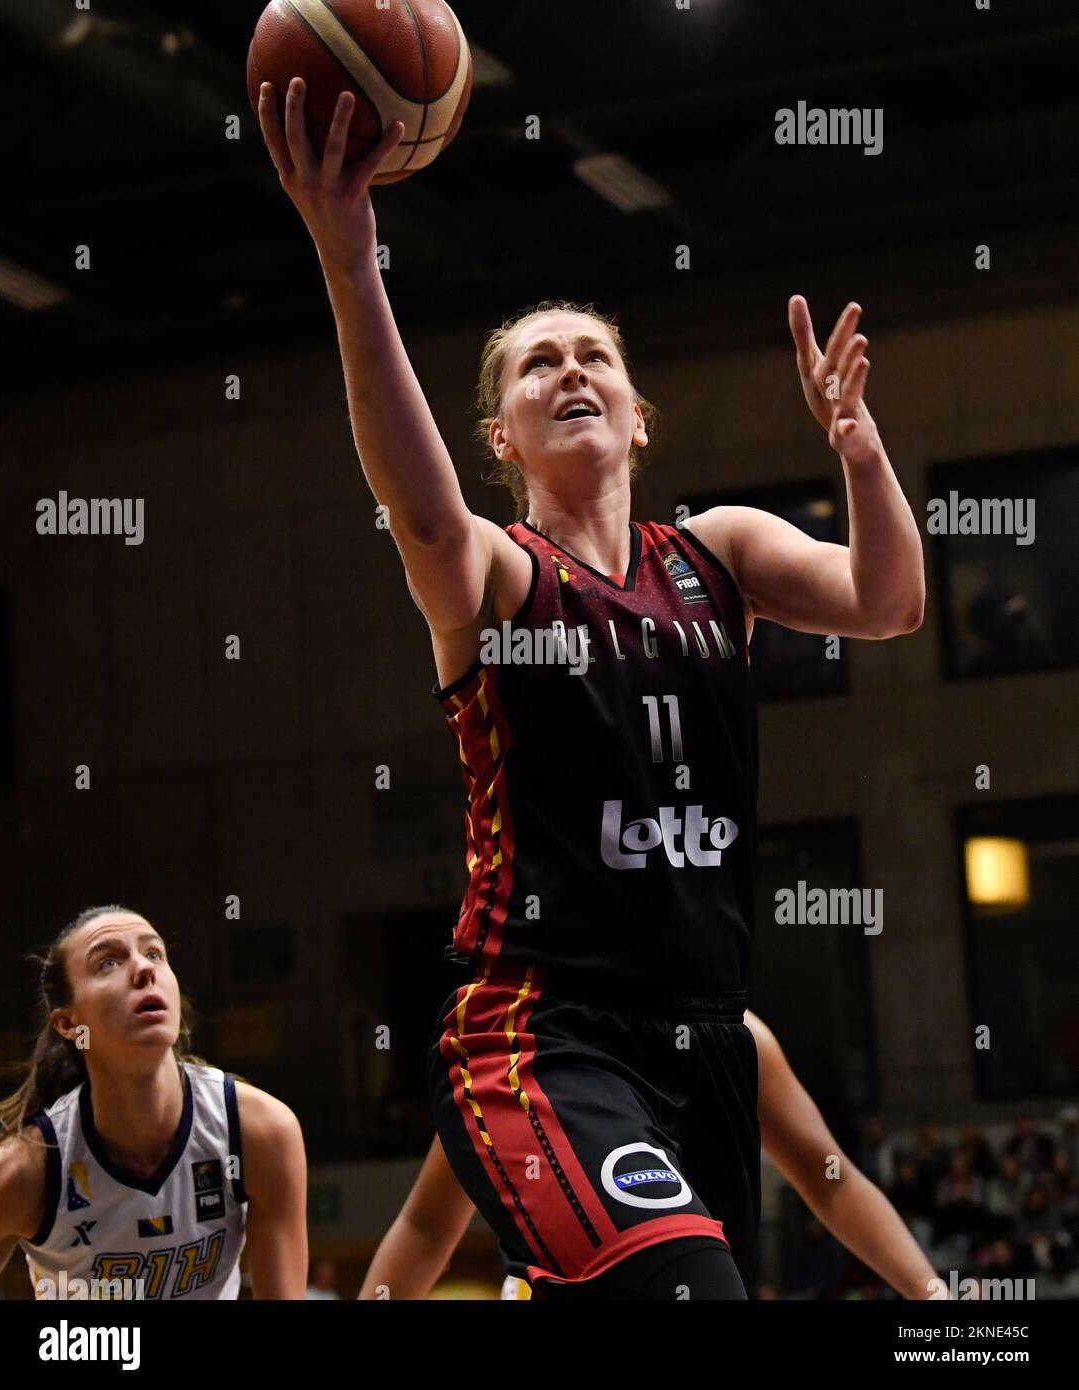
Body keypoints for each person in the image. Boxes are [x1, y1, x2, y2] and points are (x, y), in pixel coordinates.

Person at [256, 78, 924, 1299]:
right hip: (539, 1028)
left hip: (706, 1033)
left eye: (594, 356)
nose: (569, 371)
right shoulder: (498, 577)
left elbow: (888, 604)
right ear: (500, 437)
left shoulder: (717, 551)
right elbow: (414, 500)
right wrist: (353, 263)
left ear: (636, 414)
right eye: (535, 366)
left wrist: (861, 451)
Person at [358, 1011, 946, 1300]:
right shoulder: (528, 1052)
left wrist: (931, 1294)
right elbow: (427, 1222)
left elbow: (832, 1180)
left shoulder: (737, 1038)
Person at [0, 906, 308, 1299]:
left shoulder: (260, 1132)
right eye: (108, 962)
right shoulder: (24, 1173)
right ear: (69, 1024)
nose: (144, 969)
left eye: (154, 953)